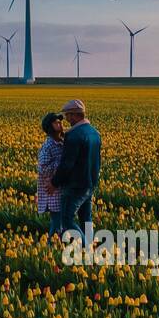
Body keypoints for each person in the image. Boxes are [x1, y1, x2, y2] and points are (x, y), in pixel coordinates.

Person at [50, 99, 100, 240]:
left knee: (67, 220)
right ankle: (91, 247)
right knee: (86, 219)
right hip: (90, 184)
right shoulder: (95, 133)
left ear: (74, 115)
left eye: (67, 115)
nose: (66, 118)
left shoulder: (73, 135)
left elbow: (67, 164)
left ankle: (85, 247)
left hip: (75, 185)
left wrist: (54, 182)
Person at [36, 112, 66, 237]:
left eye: (60, 122)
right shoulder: (48, 145)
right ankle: (51, 247)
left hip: (61, 187)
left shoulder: (61, 142)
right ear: (49, 127)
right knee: (57, 221)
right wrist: (61, 162)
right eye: (56, 122)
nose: (59, 124)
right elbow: (43, 168)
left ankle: (57, 245)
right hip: (52, 190)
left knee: (61, 221)